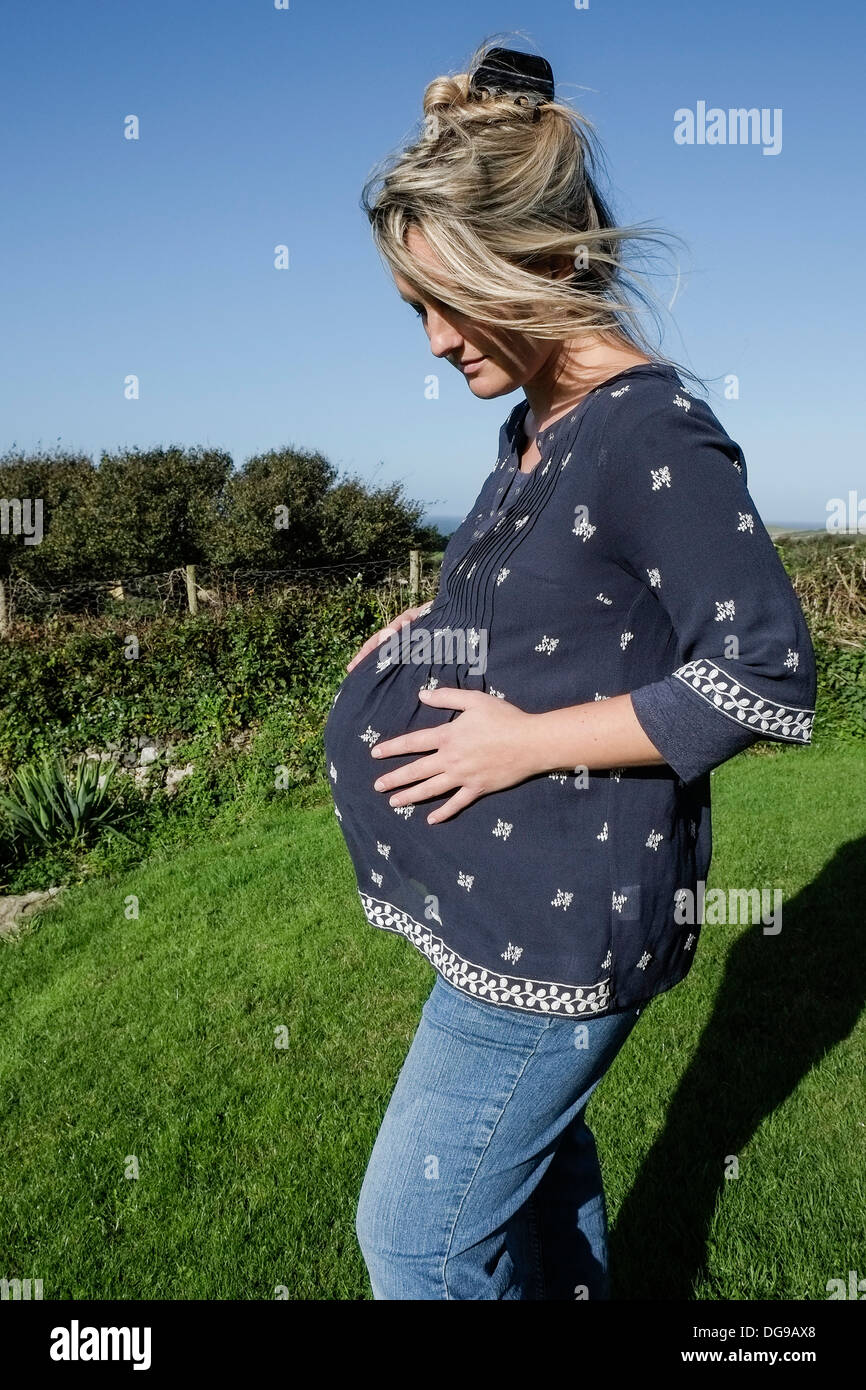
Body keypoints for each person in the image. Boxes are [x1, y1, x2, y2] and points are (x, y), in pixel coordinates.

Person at [322, 40, 817, 1300]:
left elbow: (762, 671)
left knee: (417, 1240)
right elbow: (534, 616)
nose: (431, 341)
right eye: (411, 308)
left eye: (450, 299)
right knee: (538, 1187)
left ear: (538, 262)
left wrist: (523, 745)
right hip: (502, 910)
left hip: (552, 940)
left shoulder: (646, 428)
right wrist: (419, 633)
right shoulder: (536, 427)